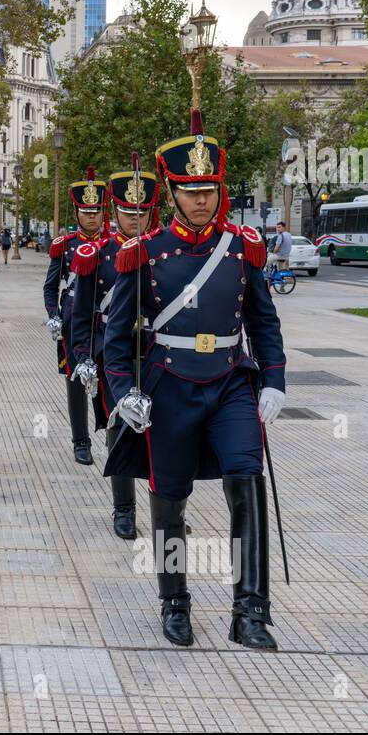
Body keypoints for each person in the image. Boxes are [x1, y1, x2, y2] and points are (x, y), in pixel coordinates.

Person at [103, 108, 287, 651]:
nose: (201, 199)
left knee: (247, 484)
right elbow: (117, 340)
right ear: (171, 191)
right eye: (190, 190)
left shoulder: (242, 246)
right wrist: (123, 394)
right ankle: (175, 601)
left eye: (209, 188)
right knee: (169, 499)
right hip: (170, 386)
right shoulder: (145, 254)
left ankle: (251, 611)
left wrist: (273, 380)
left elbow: (262, 320)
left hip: (231, 381)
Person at [69, 156, 160, 539]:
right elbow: (82, 313)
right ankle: (123, 508)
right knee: (121, 425)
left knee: (165, 433)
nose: (134, 218)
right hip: (115, 353)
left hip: (158, 354)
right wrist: (84, 355)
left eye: (141, 212)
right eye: (126, 211)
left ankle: (167, 507)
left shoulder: (164, 251)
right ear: (115, 211)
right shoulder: (96, 254)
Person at [43, 169, 113, 466]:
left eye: (96, 211)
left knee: (110, 378)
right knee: (75, 381)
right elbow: (51, 286)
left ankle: (112, 435)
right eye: (86, 212)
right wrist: (53, 315)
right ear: (77, 212)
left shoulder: (115, 244)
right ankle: (80, 441)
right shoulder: (65, 245)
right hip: (75, 321)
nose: (92, 217)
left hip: (109, 320)